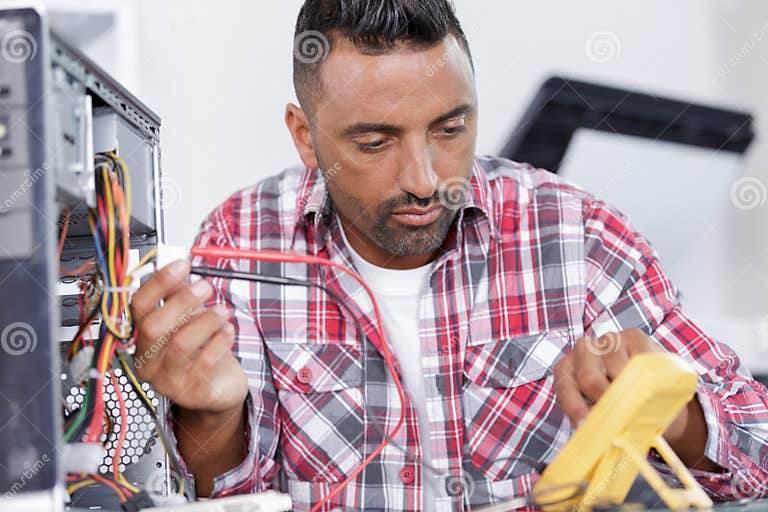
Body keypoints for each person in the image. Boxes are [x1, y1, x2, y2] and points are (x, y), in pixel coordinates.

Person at [129, 1, 768, 510]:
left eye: (450, 128)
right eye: (375, 142)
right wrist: (211, 417)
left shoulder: (576, 234)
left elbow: (757, 448)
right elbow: (224, 495)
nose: (425, 180)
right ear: (305, 135)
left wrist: (670, 409)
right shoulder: (241, 242)